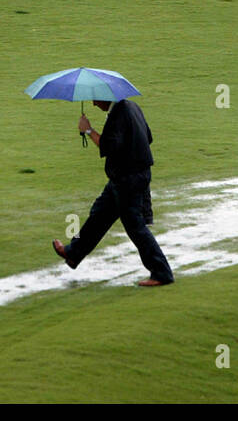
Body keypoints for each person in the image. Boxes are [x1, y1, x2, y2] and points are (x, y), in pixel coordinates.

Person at [51, 98, 174, 287]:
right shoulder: (132, 106)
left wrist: (88, 130)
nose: (92, 104)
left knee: (135, 226)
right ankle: (73, 253)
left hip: (128, 179)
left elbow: (108, 146)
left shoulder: (118, 114)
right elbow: (148, 137)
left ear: (104, 97)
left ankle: (162, 273)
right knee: (99, 214)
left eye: (94, 99)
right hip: (130, 175)